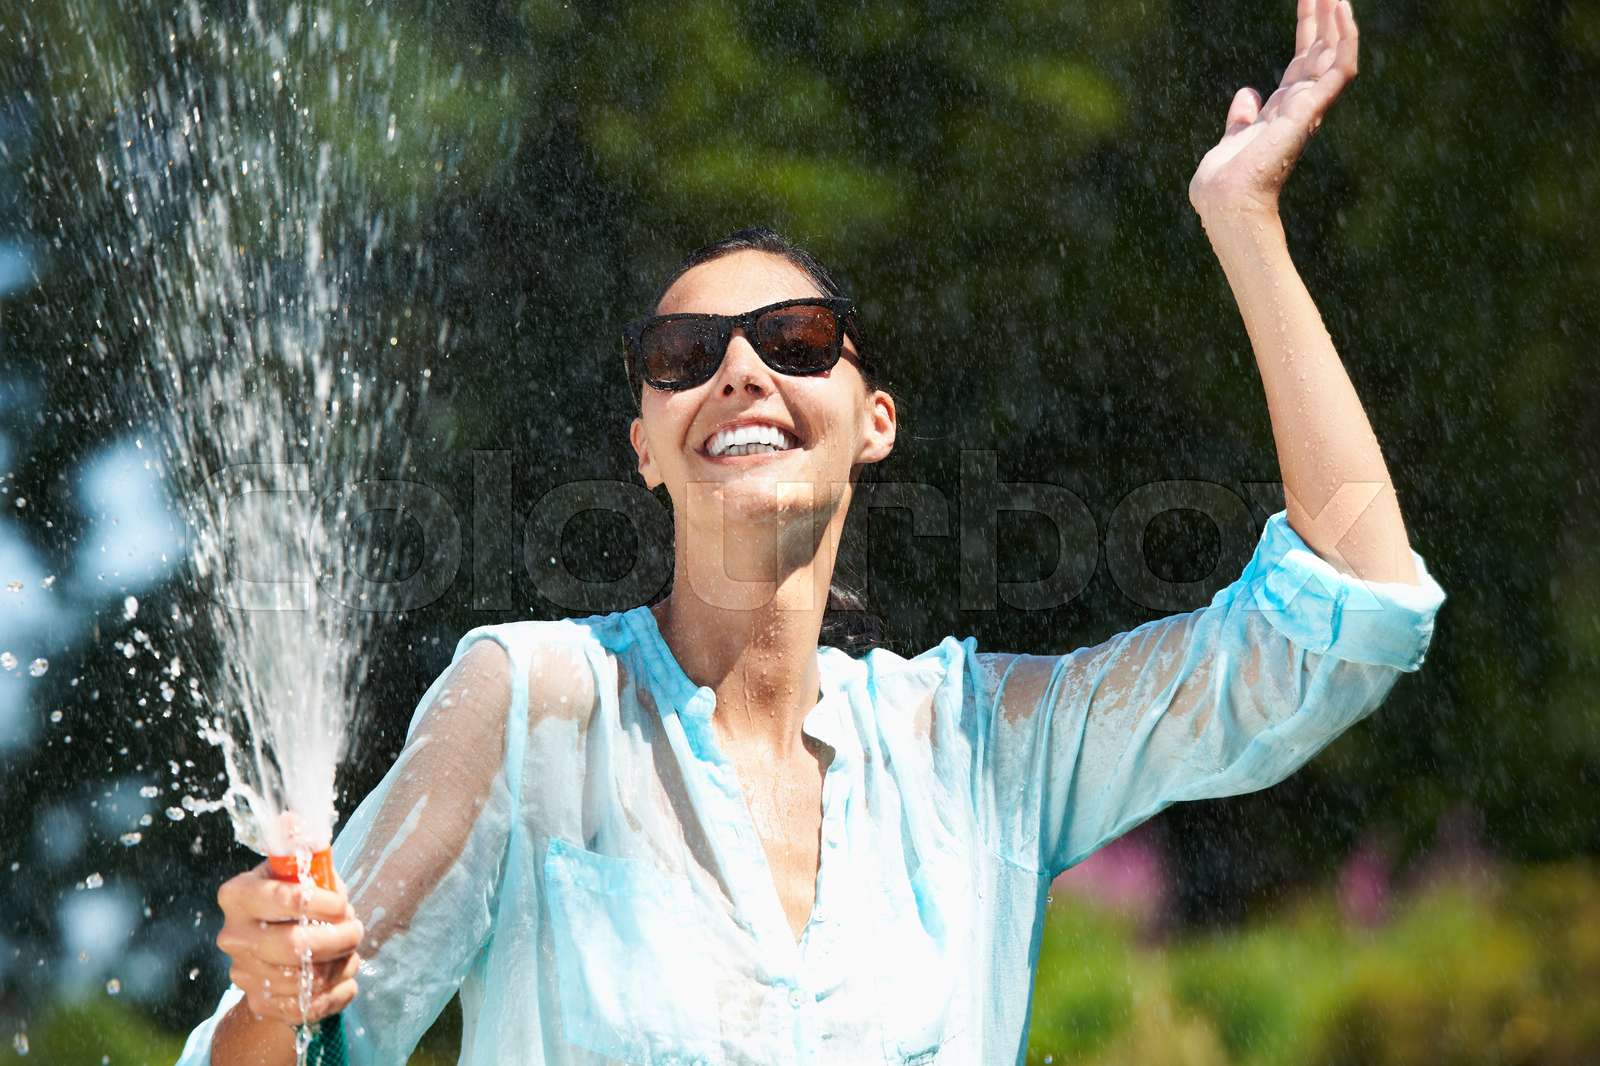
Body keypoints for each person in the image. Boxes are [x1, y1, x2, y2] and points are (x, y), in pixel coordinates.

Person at [179, 1, 1444, 1062]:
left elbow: (1348, 621)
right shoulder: (528, 704)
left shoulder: (975, 754)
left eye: (795, 343)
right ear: (644, 446)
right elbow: (287, 1047)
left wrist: (1245, 223)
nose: (738, 370)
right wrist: (272, 997)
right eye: (683, 357)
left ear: (872, 420)